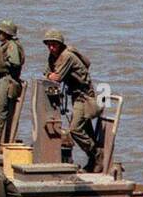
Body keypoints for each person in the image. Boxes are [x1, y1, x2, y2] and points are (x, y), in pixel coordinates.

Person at [42, 29, 100, 170]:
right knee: (86, 129)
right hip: (75, 95)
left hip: (84, 96)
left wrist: (50, 75)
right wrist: (50, 75)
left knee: (75, 129)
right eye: (49, 45)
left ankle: (97, 154)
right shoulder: (53, 56)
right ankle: (94, 161)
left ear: (60, 44)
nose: (51, 48)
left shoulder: (67, 56)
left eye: (54, 45)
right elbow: (46, 73)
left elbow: (57, 77)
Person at [0, 20, 25, 144]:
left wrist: (6, 62)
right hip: (6, 79)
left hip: (8, 80)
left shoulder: (11, 45)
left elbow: (15, 62)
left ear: (7, 33)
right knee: (0, 108)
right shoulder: (8, 45)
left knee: (1, 108)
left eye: (1, 32)